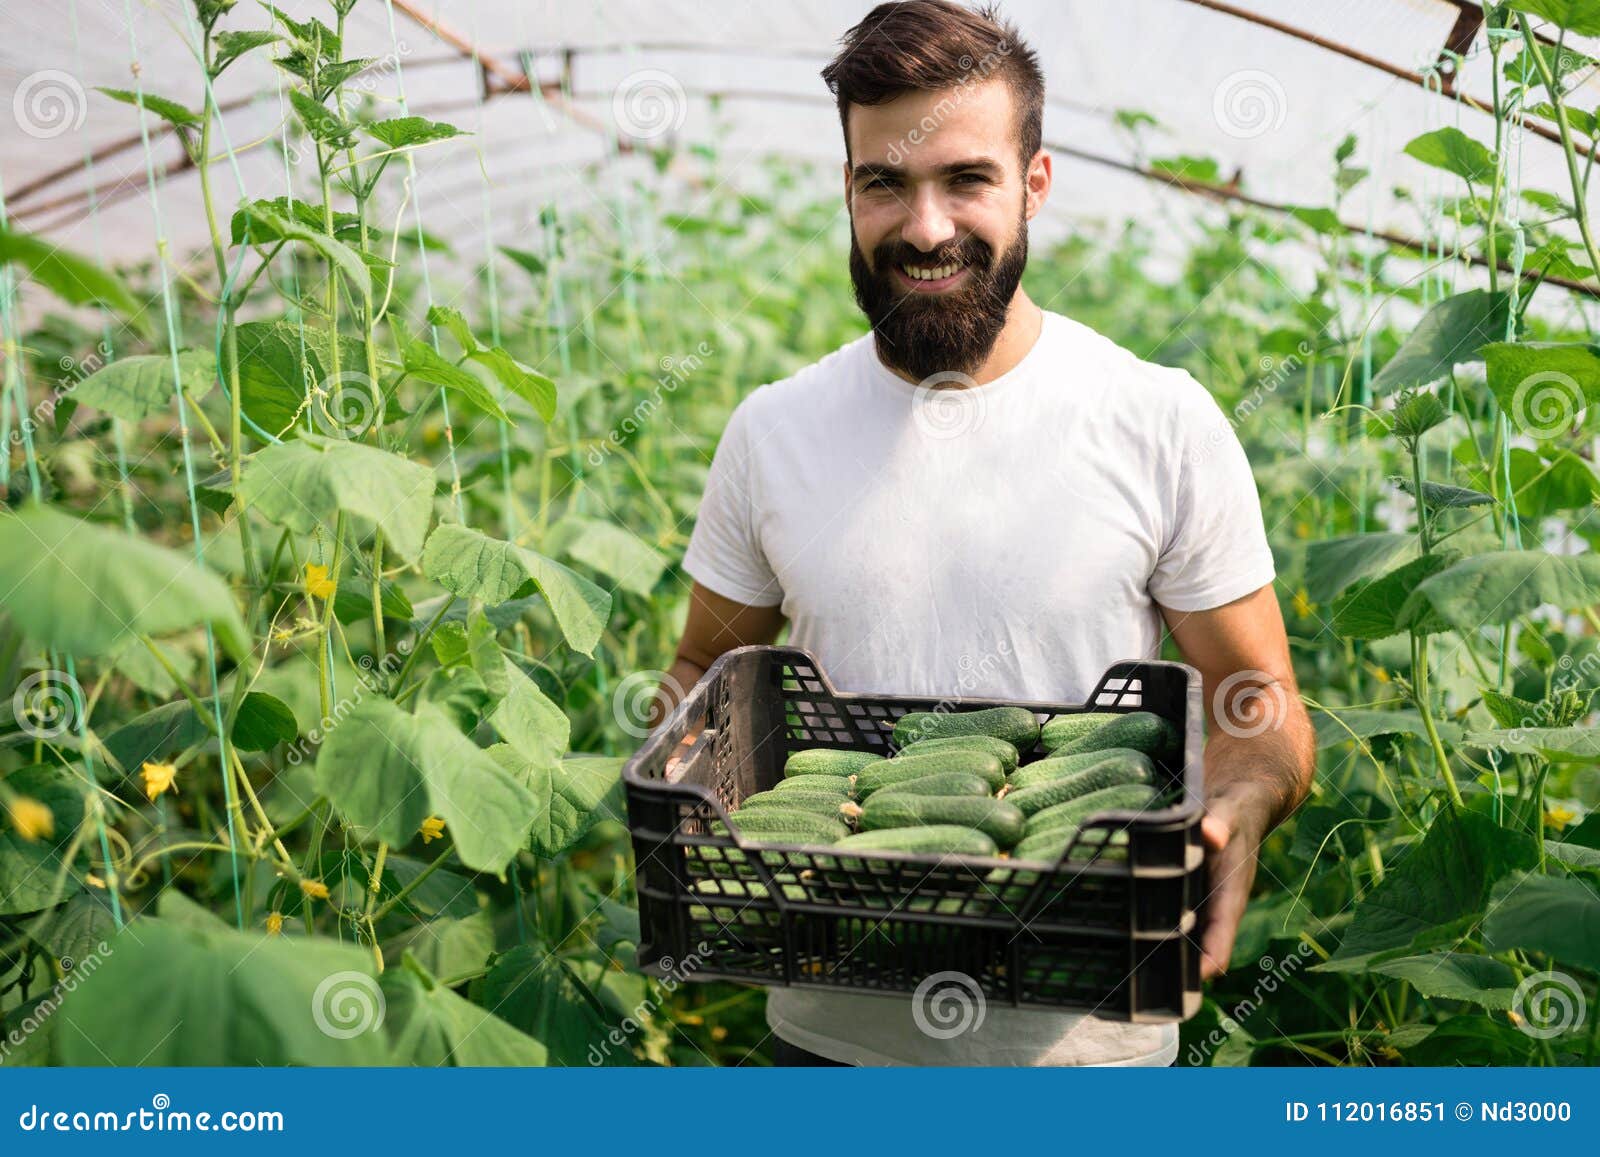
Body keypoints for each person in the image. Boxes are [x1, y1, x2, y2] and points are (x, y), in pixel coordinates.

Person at [652, 0, 1315, 1067]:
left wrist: (1245, 789)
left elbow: (1256, 697)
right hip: (825, 1036)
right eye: (885, 183)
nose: (924, 227)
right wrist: (679, 765)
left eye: (965, 179)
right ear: (848, 193)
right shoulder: (770, 430)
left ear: (1032, 186)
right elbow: (703, 660)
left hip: (1087, 1056)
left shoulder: (1158, 419)